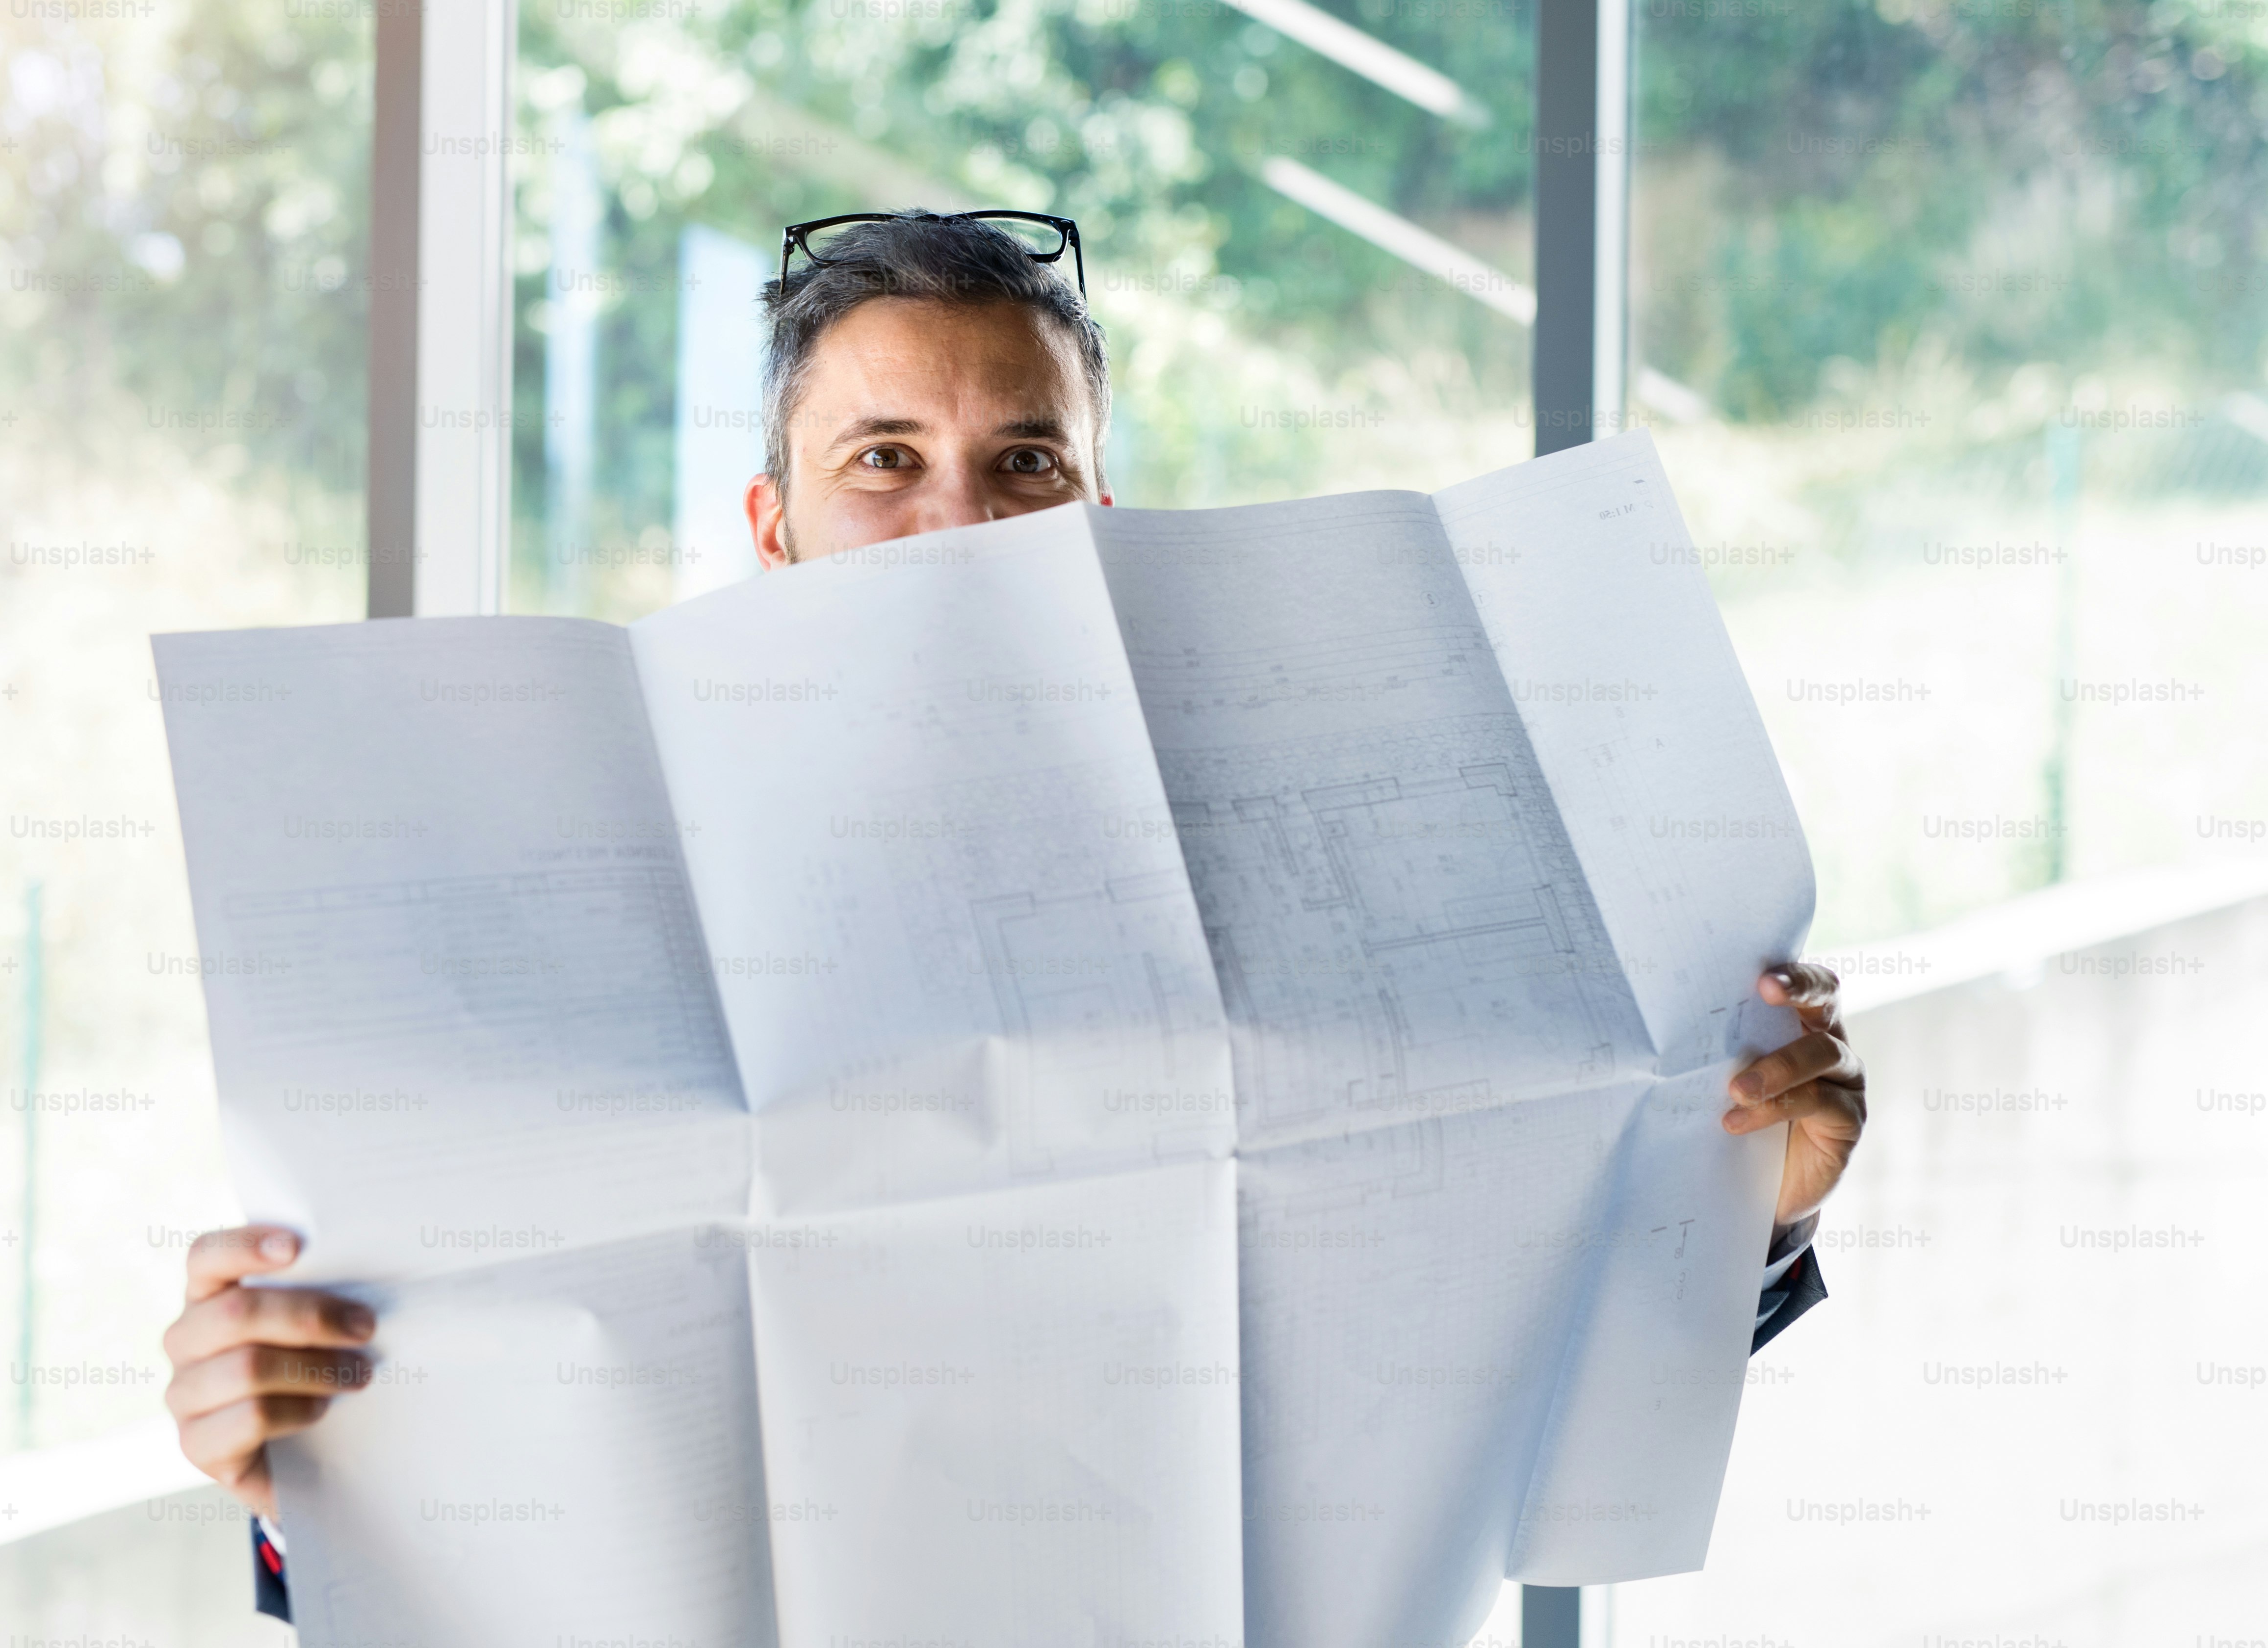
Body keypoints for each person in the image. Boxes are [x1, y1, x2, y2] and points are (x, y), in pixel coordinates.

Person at [157, 210, 1870, 1620]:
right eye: (883, 460)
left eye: (1026, 460)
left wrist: (1748, 1211)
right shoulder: (589, 909)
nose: (957, 522)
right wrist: (313, 1483)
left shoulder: (1320, 864)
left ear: (1099, 514)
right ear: (776, 529)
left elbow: (1485, 1292)